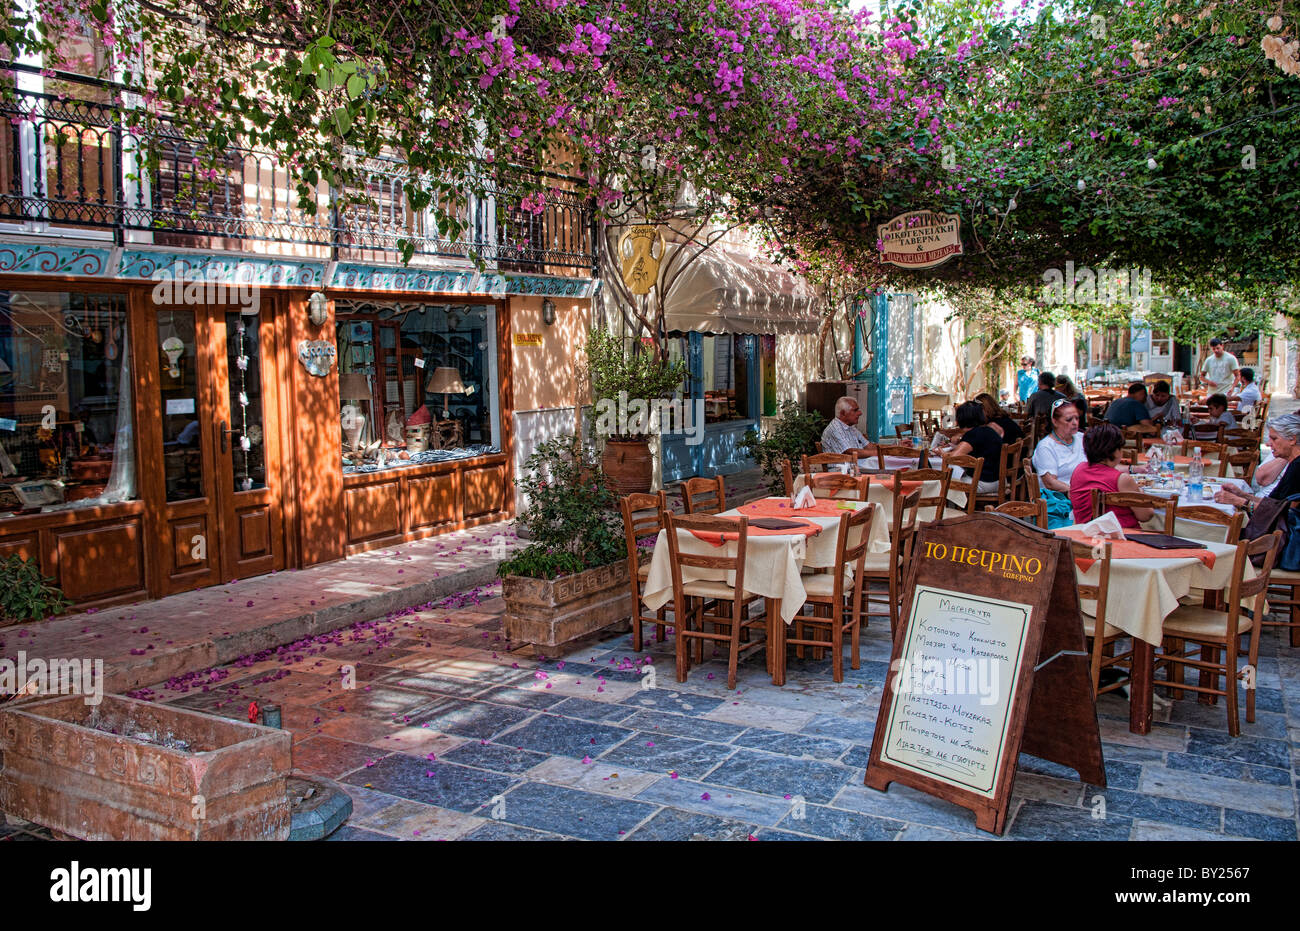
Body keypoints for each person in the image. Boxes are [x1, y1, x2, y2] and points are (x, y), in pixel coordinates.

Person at [1069, 422, 1155, 528]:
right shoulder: (1121, 479)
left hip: (1084, 532)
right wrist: (1140, 492)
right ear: (1114, 451)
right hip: (1122, 536)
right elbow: (1146, 515)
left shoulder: (1079, 470)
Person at [1215, 413, 1300, 512]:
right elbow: (1273, 503)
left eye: (1274, 438)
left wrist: (1240, 501)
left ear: (1292, 439)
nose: (1268, 444)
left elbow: (1285, 512)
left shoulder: (1297, 467)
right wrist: (1242, 495)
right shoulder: (1294, 464)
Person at [1031, 398, 1085, 528]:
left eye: (1076, 419)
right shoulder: (1046, 446)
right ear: (1055, 421)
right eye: (1068, 420)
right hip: (1061, 502)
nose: (1074, 423)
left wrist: (1132, 469)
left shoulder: (1081, 438)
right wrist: (1076, 491)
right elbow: (1050, 482)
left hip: (1083, 497)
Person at [941, 400, 1004, 494]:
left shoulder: (973, 435)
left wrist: (941, 453)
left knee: (943, 482)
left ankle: (949, 508)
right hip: (998, 480)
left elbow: (954, 458)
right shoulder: (989, 431)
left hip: (983, 482)